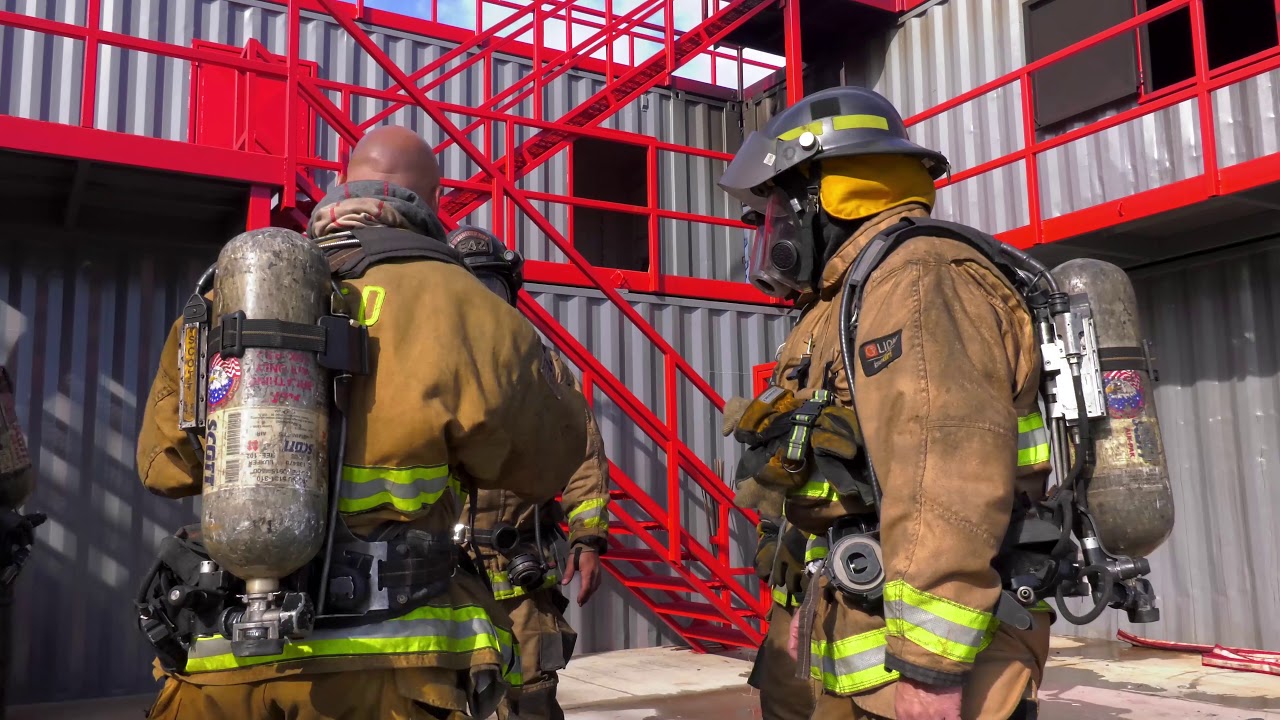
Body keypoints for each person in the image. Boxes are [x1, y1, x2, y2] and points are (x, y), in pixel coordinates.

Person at [134, 125, 592, 720]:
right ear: (431, 203)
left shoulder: (233, 291)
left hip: (225, 661)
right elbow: (546, 463)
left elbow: (164, 465)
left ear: (341, 186)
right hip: (387, 667)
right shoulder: (465, 303)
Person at [719, 86, 1051, 720]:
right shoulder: (840, 298)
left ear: (828, 196)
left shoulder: (919, 276)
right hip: (851, 624)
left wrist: (931, 671)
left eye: (780, 208)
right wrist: (797, 584)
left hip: (922, 660)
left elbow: (944, 475)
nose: (774, 229)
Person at [447, 225, 610, 720]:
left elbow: (580, 452)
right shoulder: (423, 365)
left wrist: (588, 538)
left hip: (522, 571)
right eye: (468, 288)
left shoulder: (543, 367)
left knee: (532, 697)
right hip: (441, 573)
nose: (483, 304)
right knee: (446, 695)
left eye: (492, 288)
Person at [746, 515, 819, 720]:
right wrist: (769, 535)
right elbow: (773, 503)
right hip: (788, 607)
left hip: (848, 597)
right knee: (785, 703)